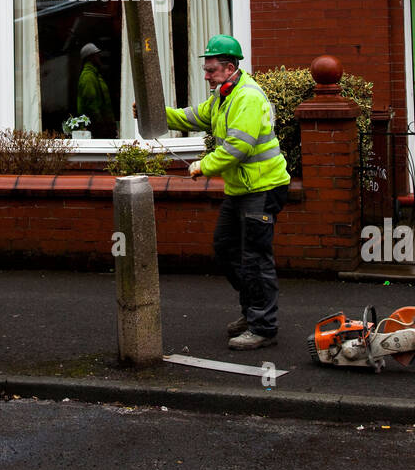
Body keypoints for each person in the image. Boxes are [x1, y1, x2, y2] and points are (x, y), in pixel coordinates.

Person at [135, 35, 289, 349]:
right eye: (206, 70)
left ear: (230, 67)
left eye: (211, 70)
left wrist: (202, 166)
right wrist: (156, 113)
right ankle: (252, 311)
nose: (206, 76)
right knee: (226, 249)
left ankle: (263, 327)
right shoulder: (223, 95)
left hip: (263, 188)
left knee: (256, 260)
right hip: (242, 189)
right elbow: (195, 117)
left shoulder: (246, 97)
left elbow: (237, 148)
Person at [76, 43, 116, 138]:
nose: (99, 57)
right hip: (96, 130)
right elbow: (92, 105)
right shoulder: (88, 77)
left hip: (102, 128)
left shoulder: (95, 74)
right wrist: (102, 126)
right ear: (90, 57)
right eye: (96, 55)